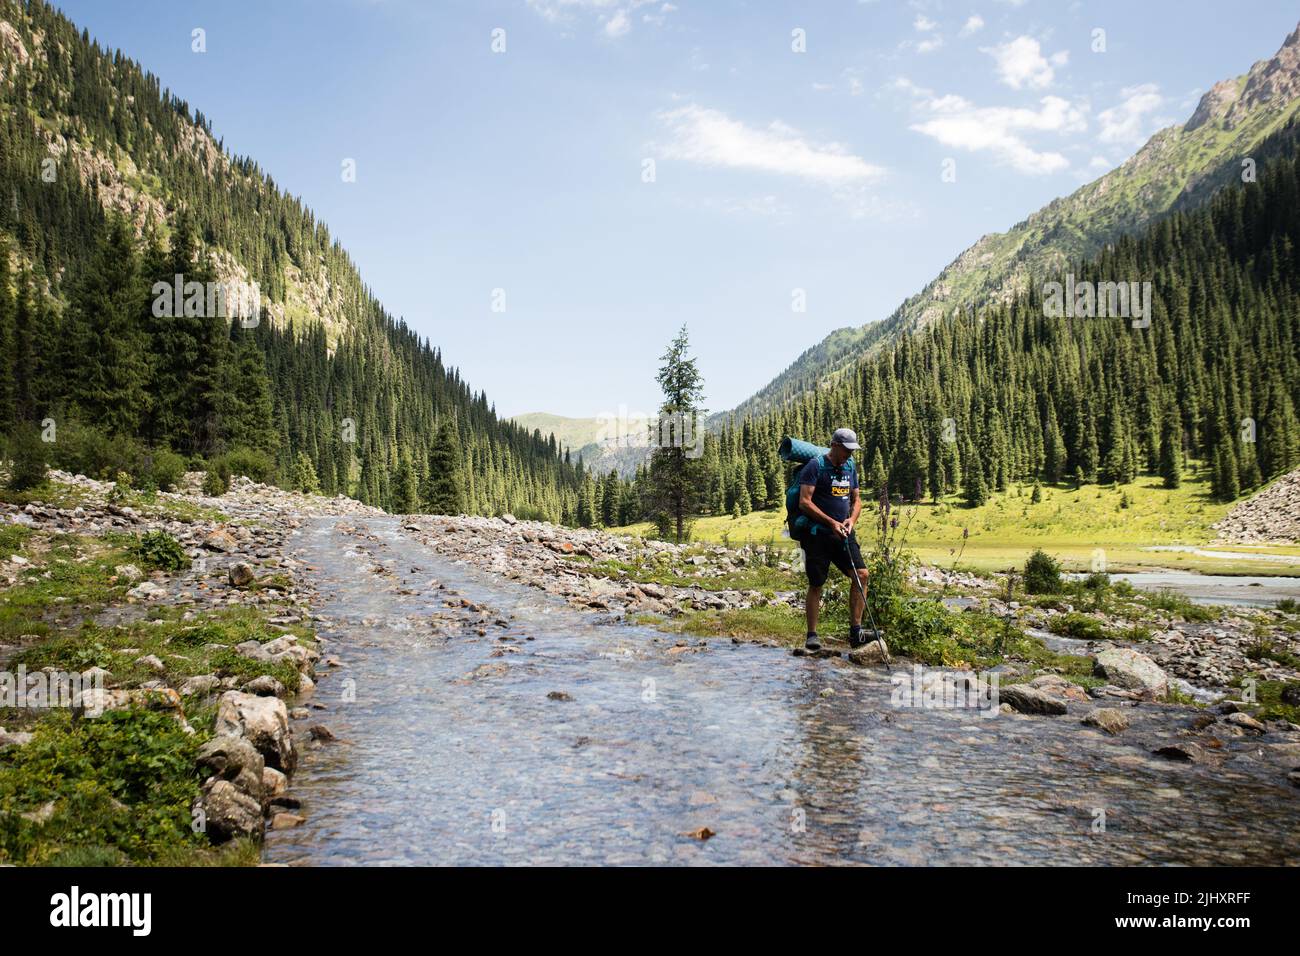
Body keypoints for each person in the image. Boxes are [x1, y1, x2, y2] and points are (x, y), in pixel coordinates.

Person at [797, 427, 869, 651]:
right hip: (818, 535)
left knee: (861, 575)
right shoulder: (815, 466)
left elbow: (857, 500)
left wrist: (851, 521)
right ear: (835, 445)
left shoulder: (850, 467)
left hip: (844, 533)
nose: (850, 454)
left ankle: (856, 632)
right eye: (847, 449)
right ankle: (812, 635)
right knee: (817, 584)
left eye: (852, 450)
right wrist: (831, 523)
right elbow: (804, 502)